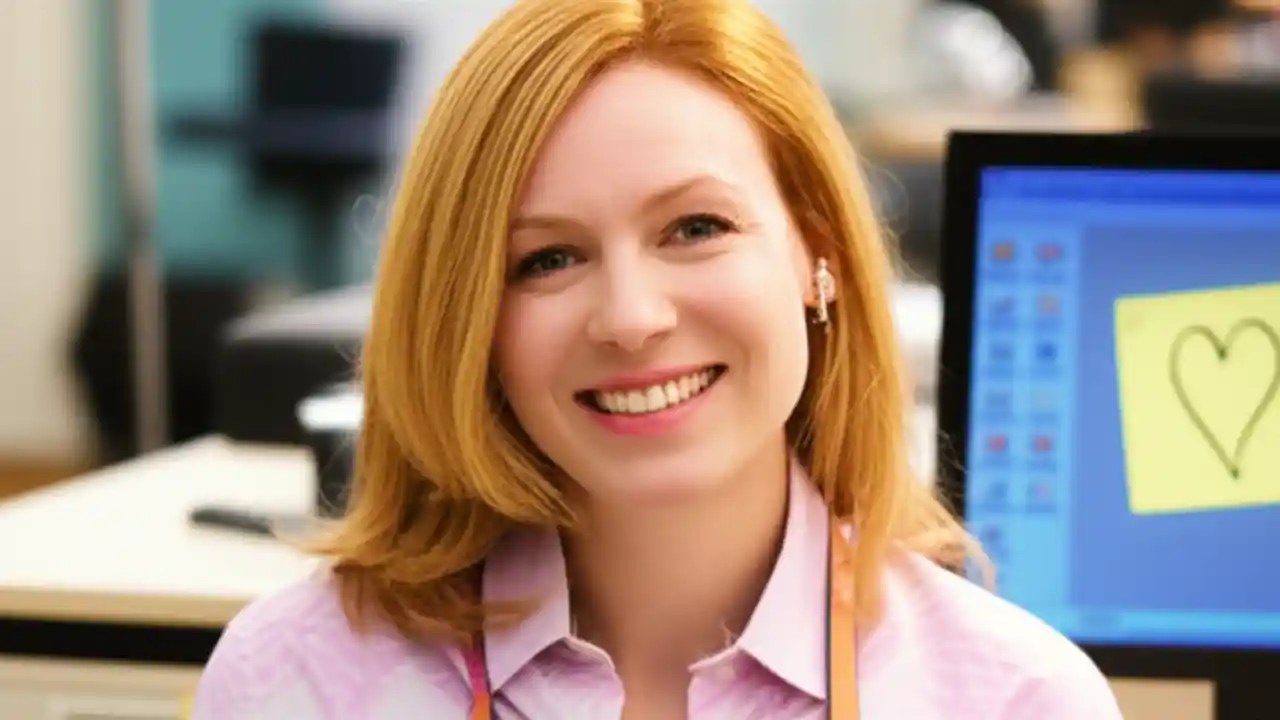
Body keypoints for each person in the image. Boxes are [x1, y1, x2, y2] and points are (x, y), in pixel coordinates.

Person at [193, 0, 1123, 717]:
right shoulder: (299, 681)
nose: (632, 319)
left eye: (695, 227)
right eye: (546, 259)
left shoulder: (1013, 699)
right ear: (467, 316)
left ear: (817, 254)